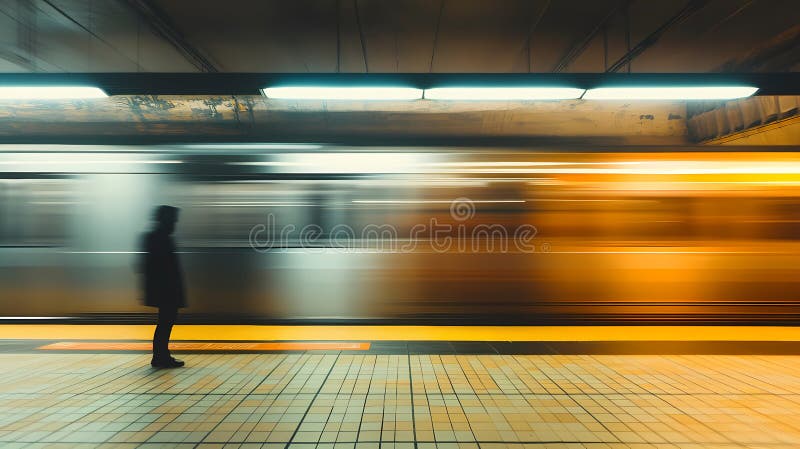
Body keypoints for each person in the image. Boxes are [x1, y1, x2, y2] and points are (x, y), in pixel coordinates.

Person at [140, 205, 186, 368]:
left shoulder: (155, 237)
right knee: (165, 323)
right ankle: (160, 357)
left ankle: (161, 355)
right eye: (173, 220)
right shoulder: (160, 238)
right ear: (166, 220)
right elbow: (163, 268)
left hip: (164, 290)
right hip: (166, 291)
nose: (174, 224)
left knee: (165, 323)